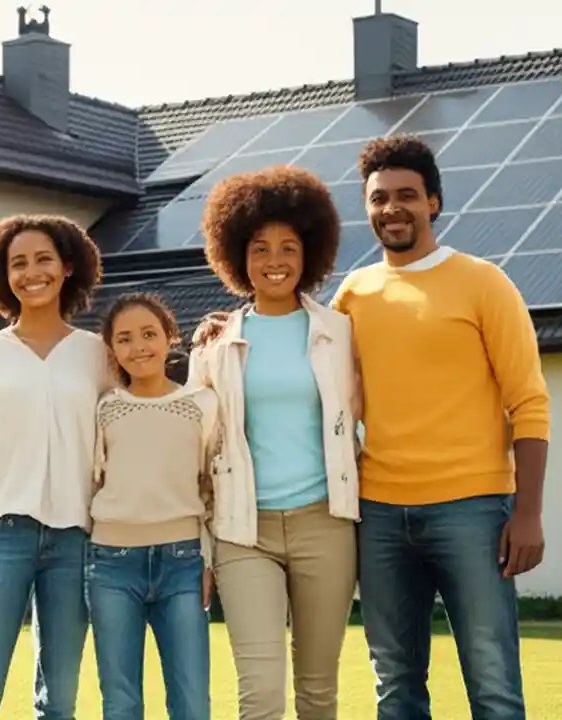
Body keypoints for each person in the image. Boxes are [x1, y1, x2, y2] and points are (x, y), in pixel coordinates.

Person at [331, 134, 551, 720]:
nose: (391, 208)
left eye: (407, 195)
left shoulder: (484, 283)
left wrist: (527, 511)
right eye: (379, 198)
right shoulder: (353, 295)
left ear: (433, 202)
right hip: (377, 514)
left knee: (493, 681)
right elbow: (324, 392)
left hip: (473, 509)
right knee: (395, 686)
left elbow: (529, 401)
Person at [187, 165, 363, 720]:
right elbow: (195, 452)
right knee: (259, 695)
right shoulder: (215, 344)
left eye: (289, 246)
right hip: (244, 533)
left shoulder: (340, 332)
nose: (275, 260)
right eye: (260, 248)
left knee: (317, 692)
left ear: (310, 252)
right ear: (237, 255)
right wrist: (202, 545)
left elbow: (363, 418)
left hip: (325, 524)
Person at [0, 213, 114, 720]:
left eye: (43, 259)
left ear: (67, 268)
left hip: (75, 542)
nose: (30, 272)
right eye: (17, 263)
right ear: (4, 276)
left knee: (60, 703)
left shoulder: (99, 355)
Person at [87, 291, 220, 720]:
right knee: (121, 703)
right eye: (124, 339)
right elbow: (93, 481)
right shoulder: (104, 408)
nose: (138, 346)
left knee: (192, 703)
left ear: (169, 337)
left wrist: (208, 559)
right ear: (112, 351)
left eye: (149, 334)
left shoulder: (201, 404)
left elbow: (211, 489)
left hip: (182, 562)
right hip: (111, 565)